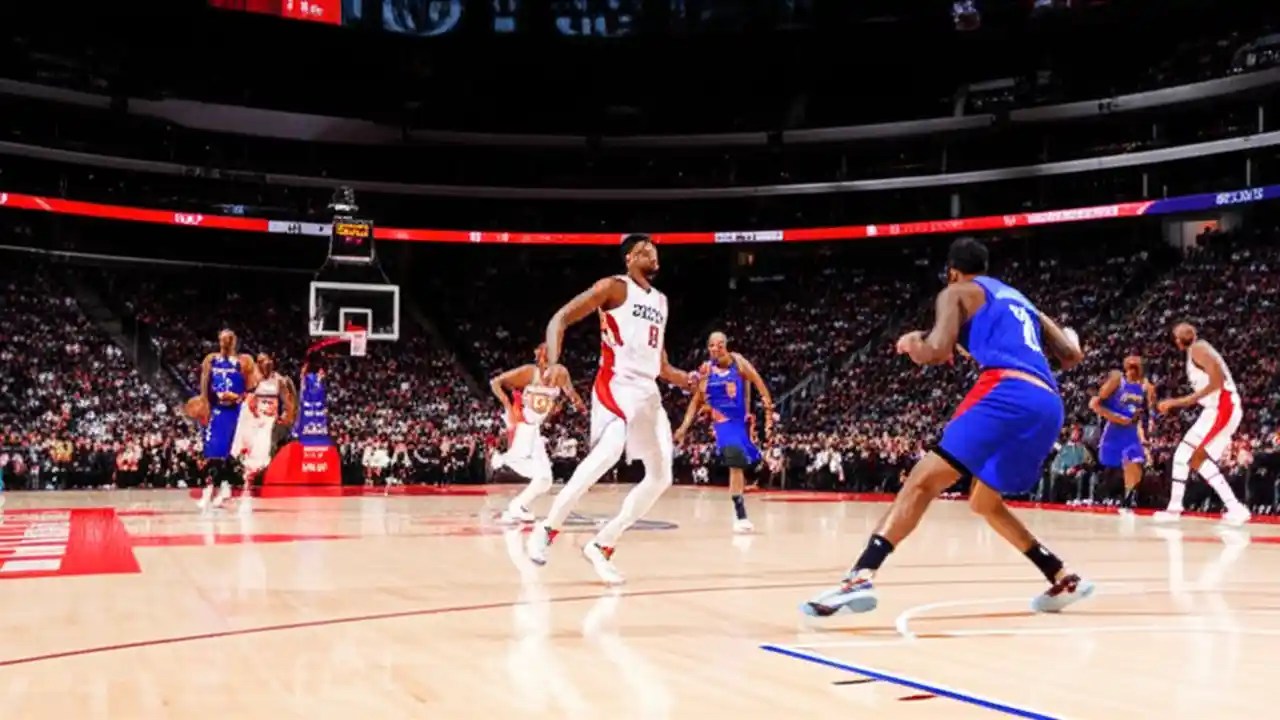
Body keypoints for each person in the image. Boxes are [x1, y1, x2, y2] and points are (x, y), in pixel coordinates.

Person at [802, 237, 1091, 618]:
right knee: (983, 501)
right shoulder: (1021, 300)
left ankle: (860, 575)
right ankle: (1060, 574)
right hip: (1048, 403)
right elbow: (1071, 356)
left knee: (921, 482)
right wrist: (1070, 333)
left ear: (953, 270)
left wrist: (911, 343)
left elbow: (936, 349)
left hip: (1007, 390)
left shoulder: (956, 291)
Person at [526, 233, 697, 585]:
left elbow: (661, 365)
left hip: (647, 392)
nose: (653, 253)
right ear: (630, 259)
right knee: (607, 455)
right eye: (645, 250)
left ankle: (603, 544)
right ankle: (547, 528)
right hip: (615, 385)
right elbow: (559, 318)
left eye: (655, 250)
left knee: (661, 476)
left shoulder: (662, 302)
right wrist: (556, 363)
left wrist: (688, 379)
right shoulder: (614, 287)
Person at [674, 331, 773, 533]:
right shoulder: (707, 371)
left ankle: (742, 500)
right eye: (711, 345)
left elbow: (758, 382)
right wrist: (684, 427)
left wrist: (769, 410)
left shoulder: (738, 363)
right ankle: (740, 514)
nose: (715, 348)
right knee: (735, 460)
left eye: (719, 344)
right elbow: (696, 401)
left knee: (751, 463)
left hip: (740, 421)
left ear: (725, 346)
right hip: (723, 423)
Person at [1153, 323, 1251, 526]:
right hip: (1212, 410)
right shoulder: (1195, 352)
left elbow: (1217, 382)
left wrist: (1178, 402)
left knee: (1197, 458)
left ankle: (1236, 507)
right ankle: (1174, 508)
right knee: (1182, 455)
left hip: (1223, 407)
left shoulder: (1198, 349)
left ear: (1179, 340)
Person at [490, 344, 585, 523]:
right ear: (540, 355)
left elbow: (571, 394)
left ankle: (517, 506)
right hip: (522, 423)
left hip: (535, 428)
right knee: (528, 467)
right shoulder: (529, 372)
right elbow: (495, 383)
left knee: (545, 480)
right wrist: (508, 407)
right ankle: (502, 459)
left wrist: (577, 404)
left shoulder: (561, 374)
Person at [193, 330, 257, 510]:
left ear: (234, 342)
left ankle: (226, 488)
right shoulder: (211, 360)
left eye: (229, 340)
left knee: (230, 453)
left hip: (235, 411)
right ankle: (209, 489)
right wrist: (205, 405)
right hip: (217, 411)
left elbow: (251, 390)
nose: (225, 343)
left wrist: (237, 396)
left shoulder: (243, 362)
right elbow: (204, 387)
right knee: (213, 452)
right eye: (222, 339)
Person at [1090, 355, 1155, 513]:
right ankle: (1104, 497)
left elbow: (1150, 414)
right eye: (1130, 366)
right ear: (1125, 368)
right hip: (1114, 430)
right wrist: (1118, 418)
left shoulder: (1147, 387)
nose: (1133, 370)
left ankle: (1130, 498)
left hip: (1132, 431)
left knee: (1135, 461)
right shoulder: (1117, 381)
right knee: (1112, 466)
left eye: (1136, 366)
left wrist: (1148, 435)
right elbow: (1094, 404)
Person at [231, 353, 296, 498]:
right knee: (249, 446)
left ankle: (253, 475)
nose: (265, 365)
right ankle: (246, 474)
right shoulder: (254, 380)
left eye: (267, 362)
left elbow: (287, 400)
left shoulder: (278, 380)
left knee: (263, 449)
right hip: (255, 416)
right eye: (261, 362)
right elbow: (245, 395)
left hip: (269, 418)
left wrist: (288, 414)